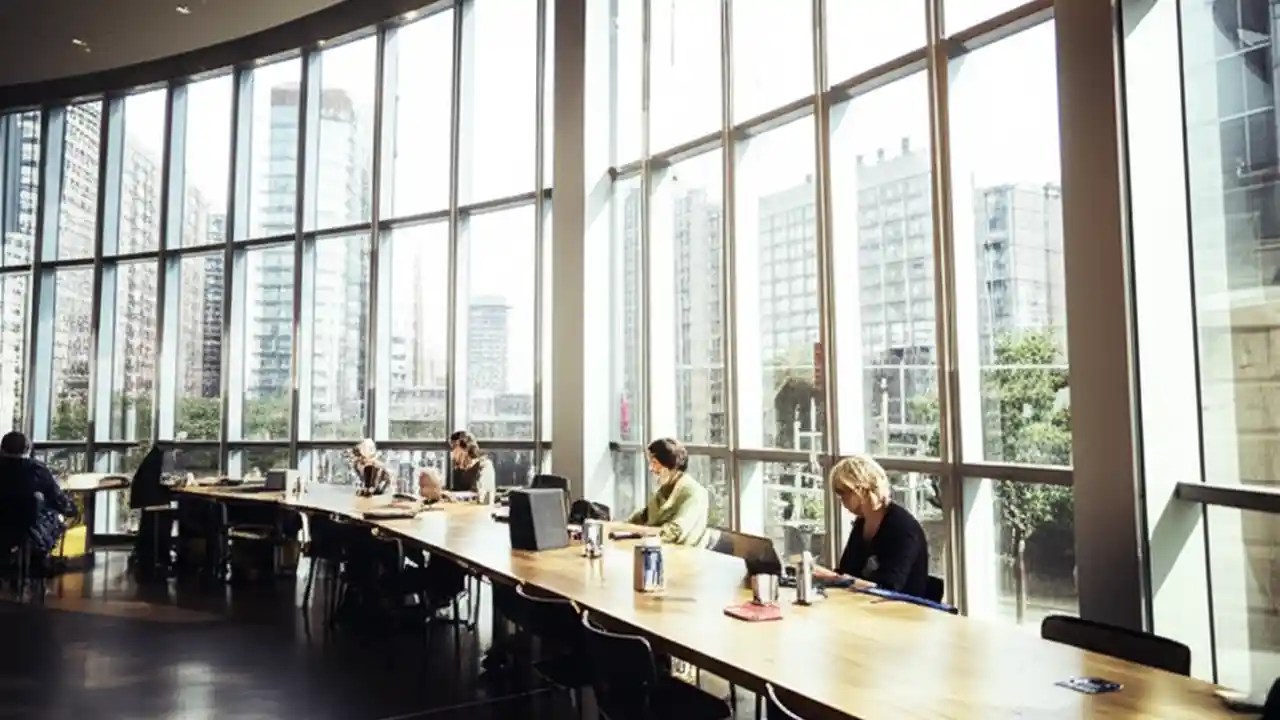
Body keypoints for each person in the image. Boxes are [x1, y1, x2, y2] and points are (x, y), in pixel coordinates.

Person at [815, 454, 929, 597]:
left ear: (860, 490)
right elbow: (848, 571)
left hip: (901, 611)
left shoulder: (903, 529)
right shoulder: (861, 523)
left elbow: (890, 587)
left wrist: (836, 578)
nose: (841, 501)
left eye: (843, 494)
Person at [0, 431, 78, 567]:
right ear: (28, 449)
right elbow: (58, 500)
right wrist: (70, 508)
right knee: (54, 517)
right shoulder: (37, 470)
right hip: (31, 533)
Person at [625, 438, 709, 546]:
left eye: (654, 463)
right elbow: (644, 516)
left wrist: (642, 536)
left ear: (670, 464)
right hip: (659, 550)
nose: (651, 468)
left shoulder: (695, 493)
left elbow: (675, 531)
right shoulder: (665, 489)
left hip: (683, 556)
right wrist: (618, 528)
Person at [448, 430, 495, 497]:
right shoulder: (459, 469)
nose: (453, 453)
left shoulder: (484, 465)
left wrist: (453, 495)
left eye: (454, 447)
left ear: (465, 448)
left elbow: (481, 492)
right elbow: (457, 489)